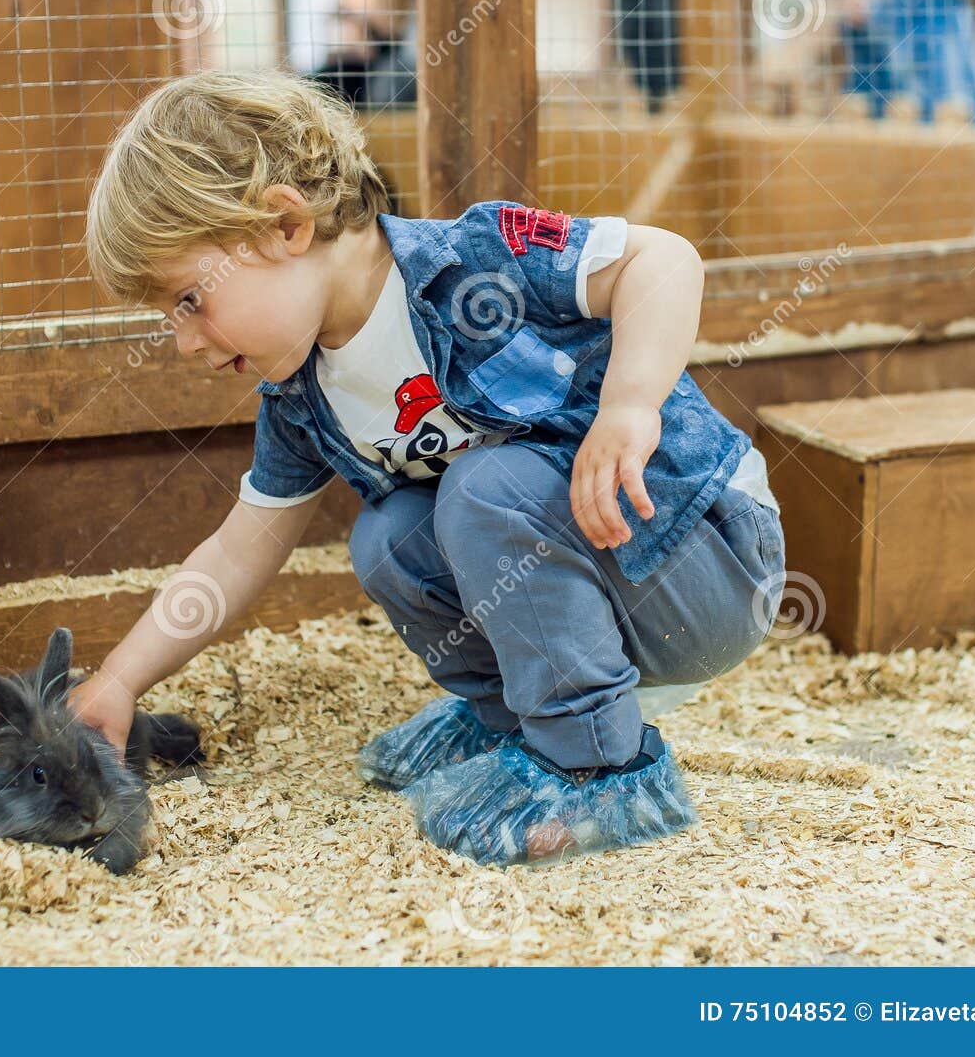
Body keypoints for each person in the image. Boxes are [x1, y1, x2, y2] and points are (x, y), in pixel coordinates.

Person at [69, 68, 785, 867]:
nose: (185, 341)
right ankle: (512, 724)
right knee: (389, 536)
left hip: (704, 552)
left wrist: (628, 405)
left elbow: (665, 259)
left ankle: (600, 772)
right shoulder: (302, 400)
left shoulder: (473, 258)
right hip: (606, 587)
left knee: (484, 490)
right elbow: (237, 551)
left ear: (283, 225)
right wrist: (121, 680)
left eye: (189, 300)